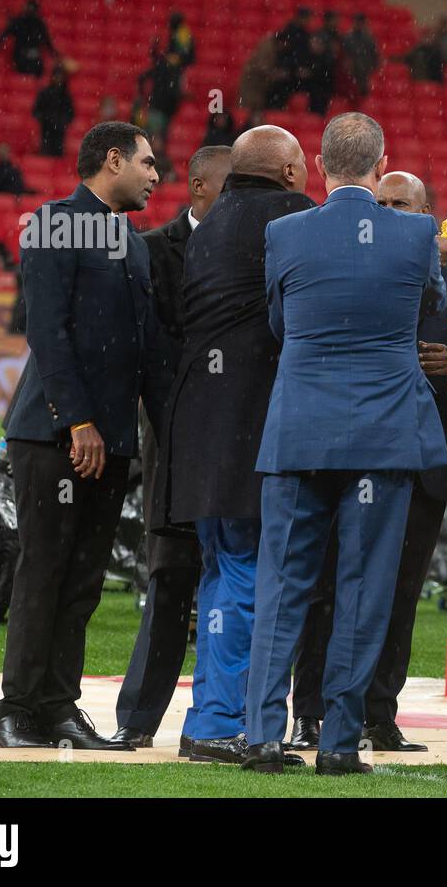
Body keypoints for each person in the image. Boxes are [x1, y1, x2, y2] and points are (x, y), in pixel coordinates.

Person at [241, 112, 447, 775]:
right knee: (364, 589)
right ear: (382, 163)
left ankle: (265, 738)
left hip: (300, 431)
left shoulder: (284, 233)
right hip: (382, 437)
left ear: (322, 167)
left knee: (281, 586)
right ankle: (338, 743)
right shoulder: (418, 235)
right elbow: (427, 307)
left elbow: (279, 324)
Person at [288, 171, 447, 753]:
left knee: (399, 595)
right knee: (326, 586)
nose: (384, 213)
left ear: (428, 215)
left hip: (421, 461)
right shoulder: (349, 267)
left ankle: (379, 715)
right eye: (378, 203)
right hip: (347, 453)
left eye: (399, 205)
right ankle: (310, 715)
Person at [0, 121, 169, 750]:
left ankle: (59, 709)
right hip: (54, 434)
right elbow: (46, 329)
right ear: (112, 160)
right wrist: (79, 421)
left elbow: (143, 349)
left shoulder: (136, 245)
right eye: (147, 163)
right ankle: (14, 711)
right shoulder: (55, 222)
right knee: (44, 569)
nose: (156, 176)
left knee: (85, 578)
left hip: (112, 440)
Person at [150, 126, 315, 765]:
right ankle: (227, 722)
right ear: (291, 171)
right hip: (256, 428)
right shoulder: (295, 217)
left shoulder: (210, 223)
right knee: (253, 576)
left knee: (224, 572)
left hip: (199, 429)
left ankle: (210, 717)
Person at [110, 145, 232, 749]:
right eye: (232, 188)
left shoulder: (258, 249)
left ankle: (226, 718)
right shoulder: (153, 250)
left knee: (235, 576)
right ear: (201, 188)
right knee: (171, 575)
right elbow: (152, 353)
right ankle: (136, 721)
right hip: (178, 436)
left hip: (239, 438)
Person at [0, 0, 56, 77]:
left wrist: (54, 54)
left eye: (31, 9)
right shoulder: (19, 21)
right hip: (20, 58)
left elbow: (47, 41)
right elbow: (4, 35)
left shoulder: (39, 24)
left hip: (34, 60)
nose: (29, 11)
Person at [32, 64, 75, 156]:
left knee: (58, 155)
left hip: (59, 131)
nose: (58, 79)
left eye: (60, 76)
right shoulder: (45, 93)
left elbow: (70, 114)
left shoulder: (66, 96)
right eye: (57, 76)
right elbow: (36, 111)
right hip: (46, 129)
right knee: (46, 153)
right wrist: (45, 119)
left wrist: (62, 122)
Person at [341, 13, 379, 101]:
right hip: (352, 73)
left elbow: (374, 56)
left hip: (363, 71)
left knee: (362, 95)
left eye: (361, 22)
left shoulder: (369, 39)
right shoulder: (348, 38)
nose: (359, 25)